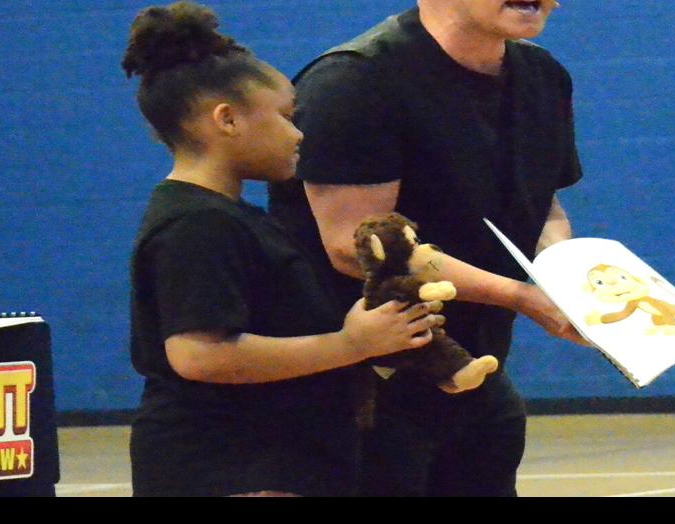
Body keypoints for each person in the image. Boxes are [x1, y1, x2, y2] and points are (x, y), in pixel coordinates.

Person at [122, 1, 443, 497]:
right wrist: (350, 344)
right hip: (227, 467)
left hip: (282, 460)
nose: (298, 134)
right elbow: (198, 356)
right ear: (226, 120)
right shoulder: (196, 224)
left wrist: (384, 335)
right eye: (285, 117)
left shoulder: (237, 219)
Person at [268, 0, 587, 497]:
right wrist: (520, 297)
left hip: (476, 378)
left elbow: (541, 206)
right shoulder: (355, 82)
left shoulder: (543, 77)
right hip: (360, 391)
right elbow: (354, 246)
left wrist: (567, 275)